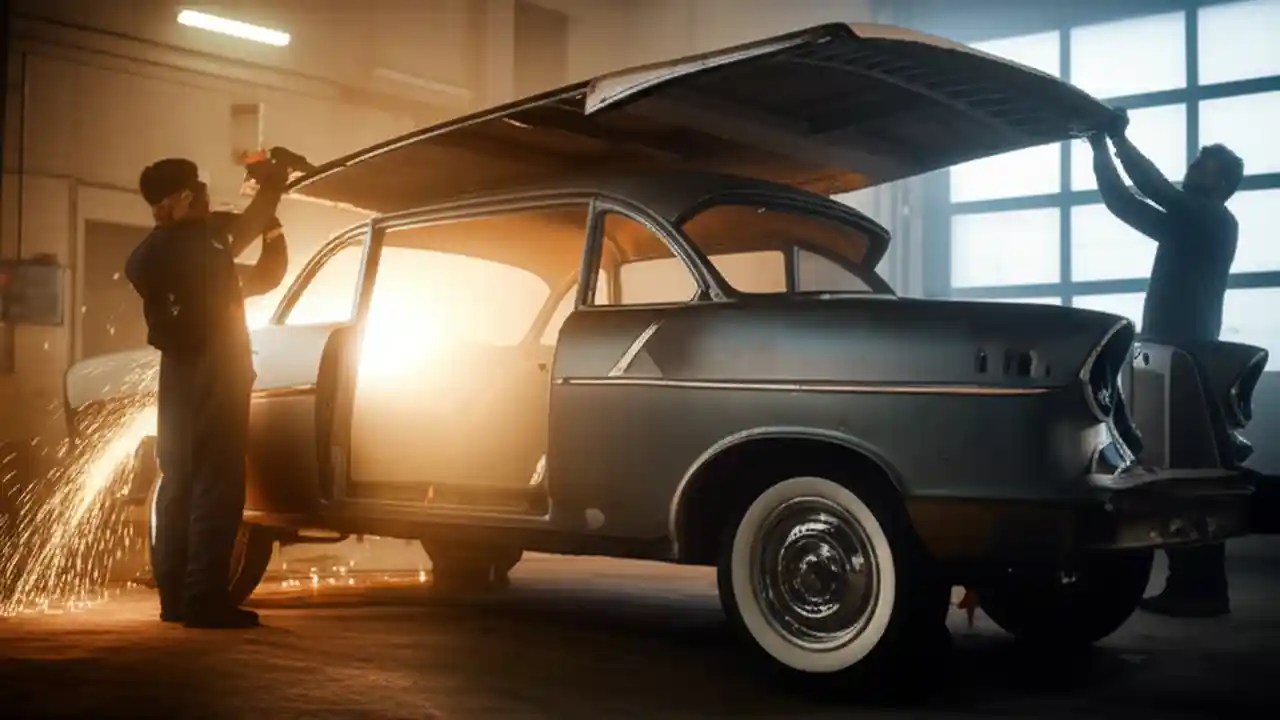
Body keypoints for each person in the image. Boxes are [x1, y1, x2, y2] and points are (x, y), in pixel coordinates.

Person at [1091, 109, 1244, 618]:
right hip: (1171, 357)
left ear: (1219, 182)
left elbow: (1151, 186)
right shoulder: (1186, 224)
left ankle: (1199, 588)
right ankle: (1195, 584)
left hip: (1186, 359)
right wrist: (1099, 149)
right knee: (1177, 469)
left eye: (1202, 164)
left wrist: (1117, 138)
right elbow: (1122, 204)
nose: (1192, 166)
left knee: (1189, 470)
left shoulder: (1212, 218)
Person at [126, 158, 289, 628]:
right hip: (214, 372)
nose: (204, 195)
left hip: (177, 373)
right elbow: (244, 227)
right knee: (215, 485)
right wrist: (272, 183)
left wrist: (271, 224)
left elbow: (266, 270)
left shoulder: (170, 252)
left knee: (177, 482)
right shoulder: (199, 246)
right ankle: (204, 601)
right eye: (195, 190)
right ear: (175, 202)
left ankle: (175, 601)